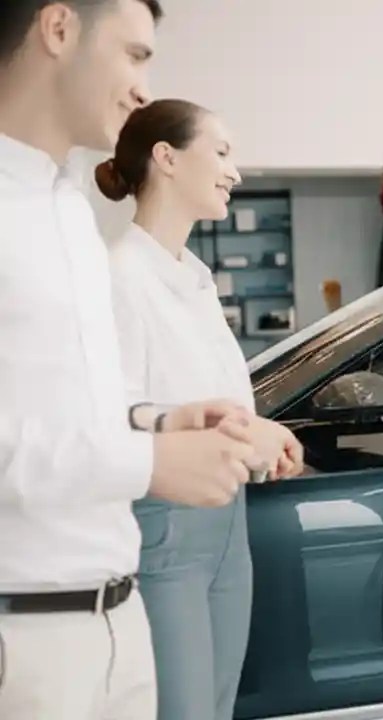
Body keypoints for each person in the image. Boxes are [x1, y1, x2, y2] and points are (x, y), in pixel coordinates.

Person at [0, 1, 271, 718]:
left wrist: (165, 416)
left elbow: (75, 403)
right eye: (135, 55)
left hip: (111, 613)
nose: (143, 89)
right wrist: (148, 462)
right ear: (59, 30)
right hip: (26, 630)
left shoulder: (65, 214)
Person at [96, 98, 306, 720]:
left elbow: (215, 396)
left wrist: (261, 431)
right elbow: (117, 410)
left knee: (215, 707)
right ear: (166, 158)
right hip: (165, 521)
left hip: (227, 522)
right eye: (220, 152)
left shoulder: (192, 275)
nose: (234, 172)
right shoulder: (118, 274)